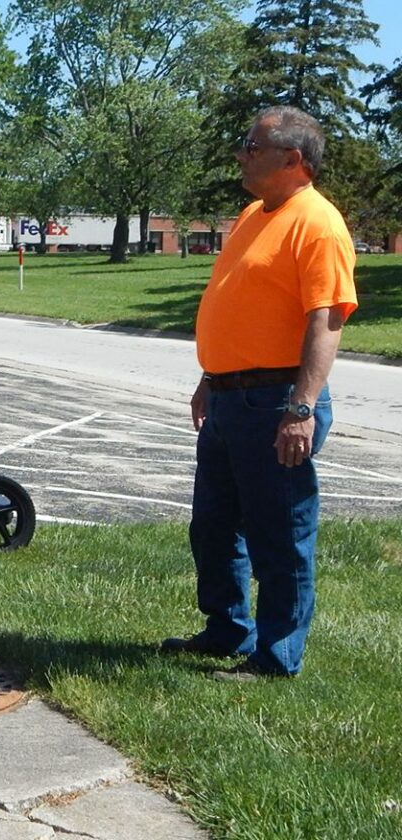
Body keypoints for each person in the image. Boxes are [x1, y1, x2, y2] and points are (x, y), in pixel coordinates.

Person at [162, 105, 358, 680]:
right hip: (229, 399)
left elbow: (326, 320)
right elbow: (238, 304)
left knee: (281, 535)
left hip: (277, 401)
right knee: (214, 527)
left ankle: (276, 656)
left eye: (252, 146)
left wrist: (301, 408)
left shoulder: (316, 222)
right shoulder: (254, 214)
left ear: (293, 160)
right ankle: (227, 630)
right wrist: (209, 377)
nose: (241, 154)